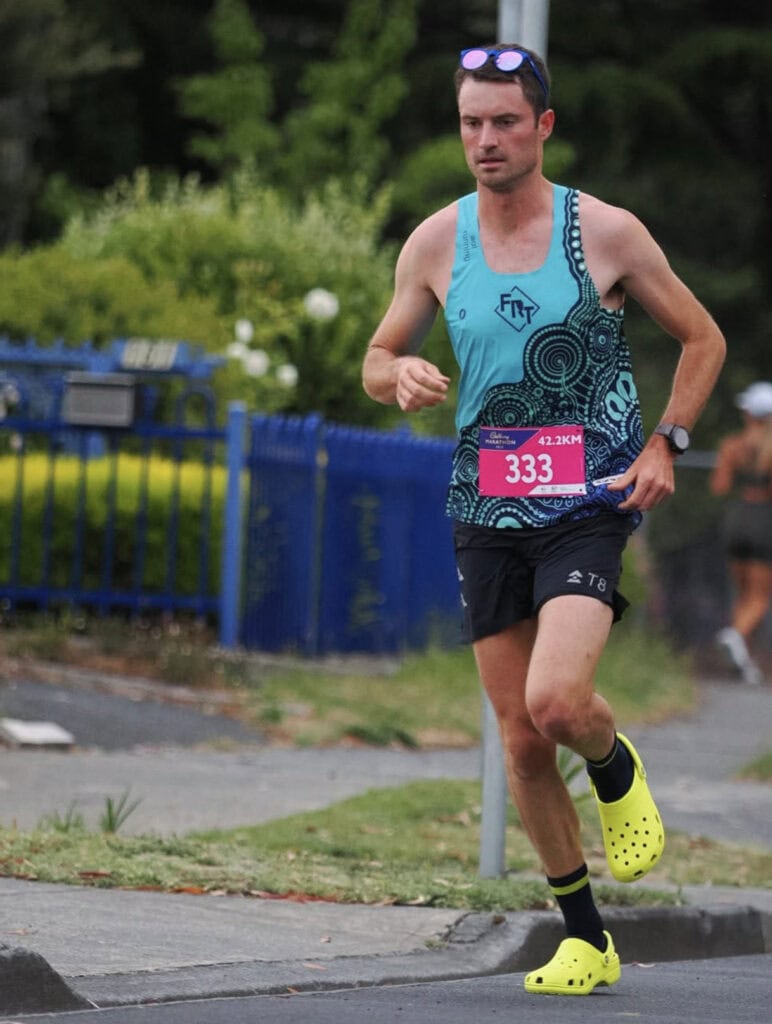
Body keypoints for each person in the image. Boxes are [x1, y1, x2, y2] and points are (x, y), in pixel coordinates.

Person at [362, 43, 726, 996]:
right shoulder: (435, 242)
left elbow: (702, 337)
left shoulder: (604, 233)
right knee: (520, 740)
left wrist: (667, 445)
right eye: (472, 122)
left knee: (556, 705)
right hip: (484, 503)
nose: (486, 139)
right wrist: (394, 372)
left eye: (505, 122)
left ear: (543, 128)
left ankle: (612, 763)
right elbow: (377, 350)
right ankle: (585, 937)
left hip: (588, 498)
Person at [710, 381, 772, 685]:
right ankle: (735, 636)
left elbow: (719, 486)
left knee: (743, 593)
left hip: (737, 517)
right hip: (764, 520)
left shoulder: (732, 445)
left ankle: (741, 661)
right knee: (759, 597)